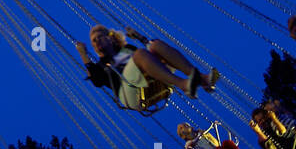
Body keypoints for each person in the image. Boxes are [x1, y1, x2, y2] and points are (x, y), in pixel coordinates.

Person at [78, 24, 218, 111]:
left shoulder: (127, 48)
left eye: (99, 37)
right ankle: (183, 84)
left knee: (155, 45)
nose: (96, 42)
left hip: (149, 78)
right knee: (139, 54)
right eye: (93, 41)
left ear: (110, 37)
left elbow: (148, 56)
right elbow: (96, 81)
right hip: (130, 94)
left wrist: (138, 37)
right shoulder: (101, 65)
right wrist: (83, 54)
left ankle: (201, 79)